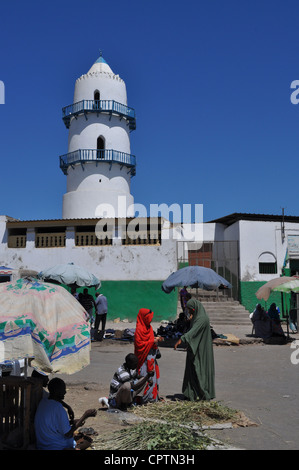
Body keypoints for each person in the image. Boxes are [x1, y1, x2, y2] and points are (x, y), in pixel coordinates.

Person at [34, 378, 97, 450]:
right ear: (56, 391)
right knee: (87, 441)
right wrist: (85, 415)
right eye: (63, 389)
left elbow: (53, 424)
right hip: (55, 447)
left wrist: (71, 421)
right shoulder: (58, 408)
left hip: (42, 445)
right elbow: (68, 434)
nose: (65, 392)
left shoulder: (44, 401)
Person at [174, 298, 215, 401]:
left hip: (201, 349)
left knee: (199, 369)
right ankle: (191, 392)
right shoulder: (197, 317)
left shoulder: (202, 318)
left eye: (190, 309)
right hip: (194, 347)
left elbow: (193, 331)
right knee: (191, 370)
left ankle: (202, 393)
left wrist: (181, 339)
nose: (189, 311)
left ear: (195, 308)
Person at [134, 308, 163, 403]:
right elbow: (139, 344)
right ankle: (144, 399)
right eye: (148, 318)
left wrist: (155, 339)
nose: (150, 320)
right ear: (144, 318)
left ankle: (152, 398)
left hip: (151, 358)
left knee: (152, 378)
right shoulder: (139, 329)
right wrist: (152, 341)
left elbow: (148, 339)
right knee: (145, 378)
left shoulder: (149, 327)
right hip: (143, 360)